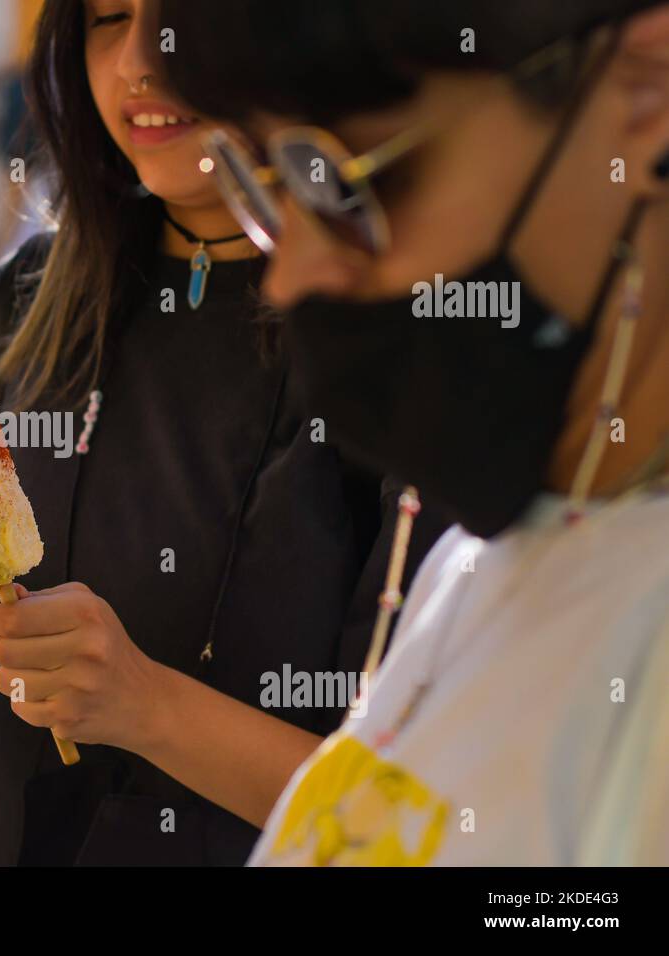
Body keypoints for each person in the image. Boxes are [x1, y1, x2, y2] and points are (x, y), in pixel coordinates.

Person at [0, 0, 444, 866]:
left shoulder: (402, 351)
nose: (138, 63)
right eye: (108, 17)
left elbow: (411, 807)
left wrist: (148, 706)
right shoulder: (17, 309)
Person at [161, 0, 669, 864]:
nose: (290, 278)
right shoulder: (490, 553)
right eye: (261, 186)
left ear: (647, 87)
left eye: (336, 182)